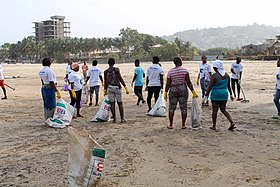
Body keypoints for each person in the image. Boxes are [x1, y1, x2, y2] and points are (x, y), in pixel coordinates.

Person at [164, 57, 199, 129]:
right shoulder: (185, 71)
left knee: (171, 108)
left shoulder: (170, 72)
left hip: (173, 89)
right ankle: (183, 125)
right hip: (183, 89)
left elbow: (168, 84)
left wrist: (165, 92)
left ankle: (170, 124)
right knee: (183, 107)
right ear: (180, 62)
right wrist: (193, 91)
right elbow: (188, 82)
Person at [205, 60, 235, 131]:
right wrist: (231, 94)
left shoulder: (214, 76)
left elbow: (210, 86)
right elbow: (229, 86)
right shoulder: (227, 75)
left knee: (215, 111)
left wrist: (206, 95)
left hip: (216, 95)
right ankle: (231, 122)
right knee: (223, 109)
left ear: (216, 68)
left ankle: (214, 126)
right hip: (224, 95)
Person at [104, 58, 129, 123]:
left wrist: (105, 90)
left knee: (112, 104)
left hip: (110, 88)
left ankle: (114, 119)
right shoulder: (116, 70)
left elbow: (105, 81)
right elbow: (120, 78)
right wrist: (125, 86)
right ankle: (122, 119)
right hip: (117, 88)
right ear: (114, 63)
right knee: (120, 103)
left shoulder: (106, 71)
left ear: (108, 63)